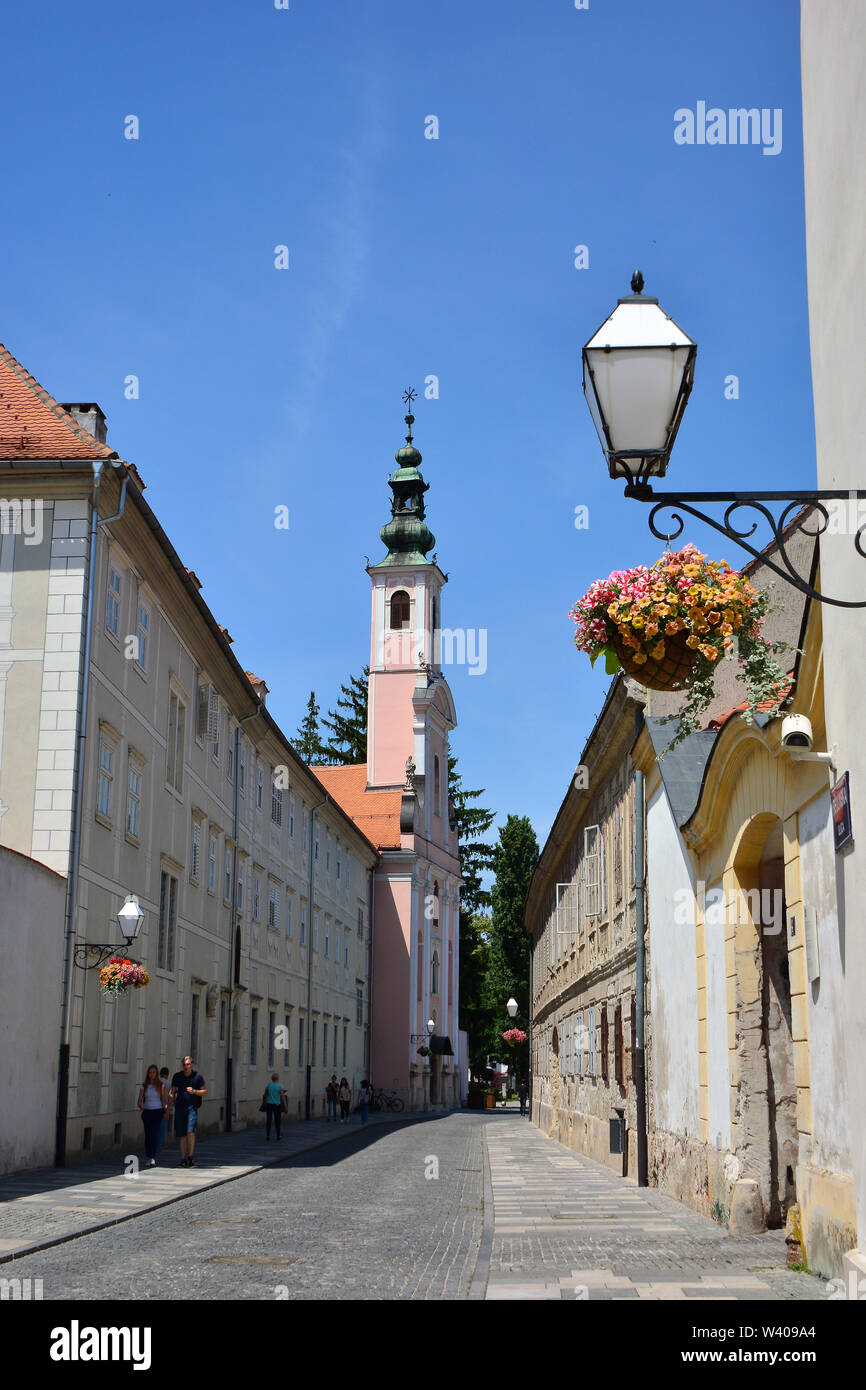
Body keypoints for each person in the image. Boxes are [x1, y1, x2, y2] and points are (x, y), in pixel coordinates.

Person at [169, 1055, 206, 1167]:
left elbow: (204, 1091)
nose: (186, 1066)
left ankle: (190, 1156)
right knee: (182, 1134)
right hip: (180, 1107)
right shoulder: (177, 1076)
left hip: (192, 1107)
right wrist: (171, 1100)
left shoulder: (197, 1077)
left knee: (190, 1131)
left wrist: (194, 1091)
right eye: (184, 1064)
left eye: (188, 1064)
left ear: (192, 1064)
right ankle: (183, 1159)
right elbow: (172, 1091)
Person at [137, 1064, 165, 1167]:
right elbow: (139, 1101)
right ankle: (148, 1156)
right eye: (150, 1073)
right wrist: (143, 1108)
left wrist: (165, 1110)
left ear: (156, 1073)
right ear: (148, 1074)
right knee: (148, 1135)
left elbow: (163, 1099)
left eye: (154, 1072)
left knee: (154, 1134)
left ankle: (152, 1157)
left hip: (157, 1112)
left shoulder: (161, 1085)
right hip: (147, 1112)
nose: (152, 1074)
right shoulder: (144, 1086)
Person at [264, 1072, 287, 1140]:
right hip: (277, 1105)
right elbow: (282, 1097)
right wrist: (285, 1107)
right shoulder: (280, 1086)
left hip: (269, 1104)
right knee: (277, 1121)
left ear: (272, 1079)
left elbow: (265, 1094)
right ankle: (278, 1135)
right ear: (278, 1079)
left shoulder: (268, 1085)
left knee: (269, 1120)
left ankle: (268, 1135)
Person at [156, 1066, 170, 1155]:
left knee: (154, 1129)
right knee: (162, 1129)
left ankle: (153, 1147)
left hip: (155, 1108)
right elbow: (172, 1096)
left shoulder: (156, 1082)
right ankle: (158, 1148)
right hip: (165, 1108)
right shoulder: (169, 1083)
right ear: (167, 1074)